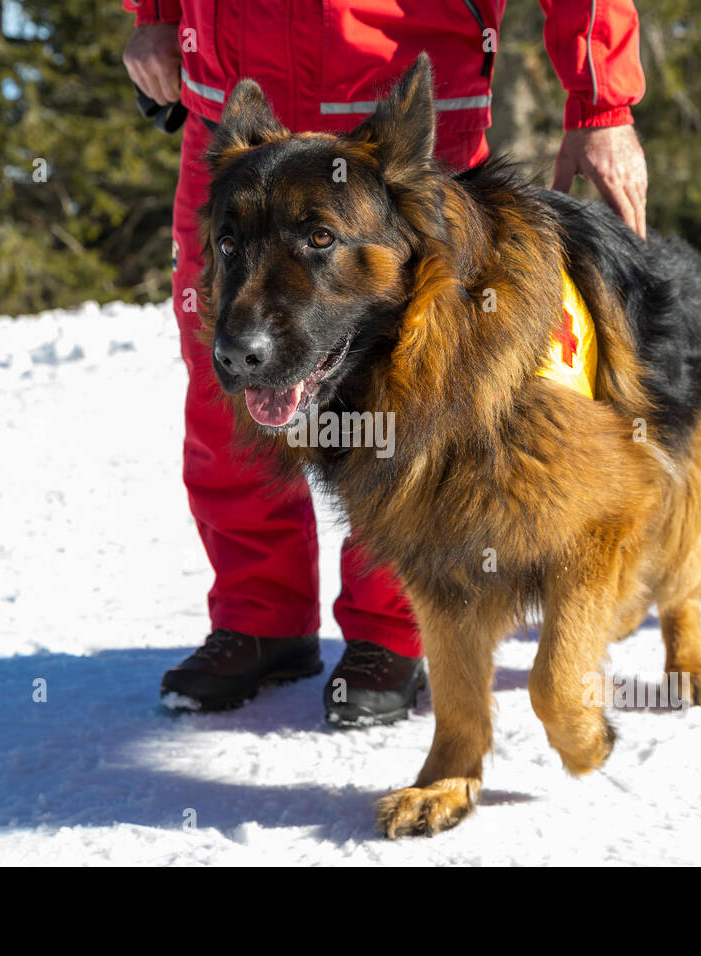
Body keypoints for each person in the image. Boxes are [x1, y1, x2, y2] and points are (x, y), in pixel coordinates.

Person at [123, 0, 648, 725]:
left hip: (399, 123)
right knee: (237, 375)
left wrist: (601, 102)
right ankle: (258, 616)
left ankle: (393, 628)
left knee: (424, 397)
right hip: (239, 115)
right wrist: (154, 12)